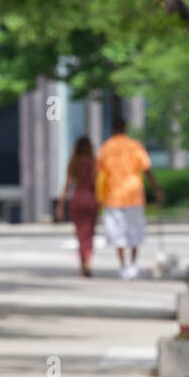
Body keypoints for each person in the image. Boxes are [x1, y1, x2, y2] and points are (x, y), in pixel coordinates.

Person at [95, 113, 163, 280]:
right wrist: (156, 189)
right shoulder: (135, 146)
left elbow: (99, 173)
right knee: (134, 230)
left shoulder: (106, 147)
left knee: (117, 233)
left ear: (112, 129)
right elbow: (147, 169)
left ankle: (122, 265)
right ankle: (133, 264)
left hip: (113, 196)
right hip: (133, 194)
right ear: (125, 128)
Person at [55, 137, 98, 277]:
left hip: (77, 199)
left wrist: (60, 206)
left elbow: (67, 186)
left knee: (80, 235)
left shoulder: (74, 163)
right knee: (89, 234)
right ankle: (88, 261)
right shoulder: (94, 163)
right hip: (91, 199)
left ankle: (83, 264)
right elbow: (97, 183)